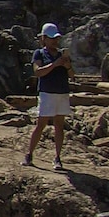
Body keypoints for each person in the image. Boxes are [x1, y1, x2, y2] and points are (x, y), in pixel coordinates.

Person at [25, 22, 72, 169]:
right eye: (51, 38)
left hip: (62, 93)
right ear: (44, 38)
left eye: (56, 38)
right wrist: (55, 64)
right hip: (47, 93)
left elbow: (72, 75)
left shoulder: (61, 55)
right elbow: (38, 72)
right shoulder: (39, 53)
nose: (55, 41)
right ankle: (29, 154)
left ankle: (57, 157)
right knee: (41, 124)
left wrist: (67, 65)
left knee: (59, 125)